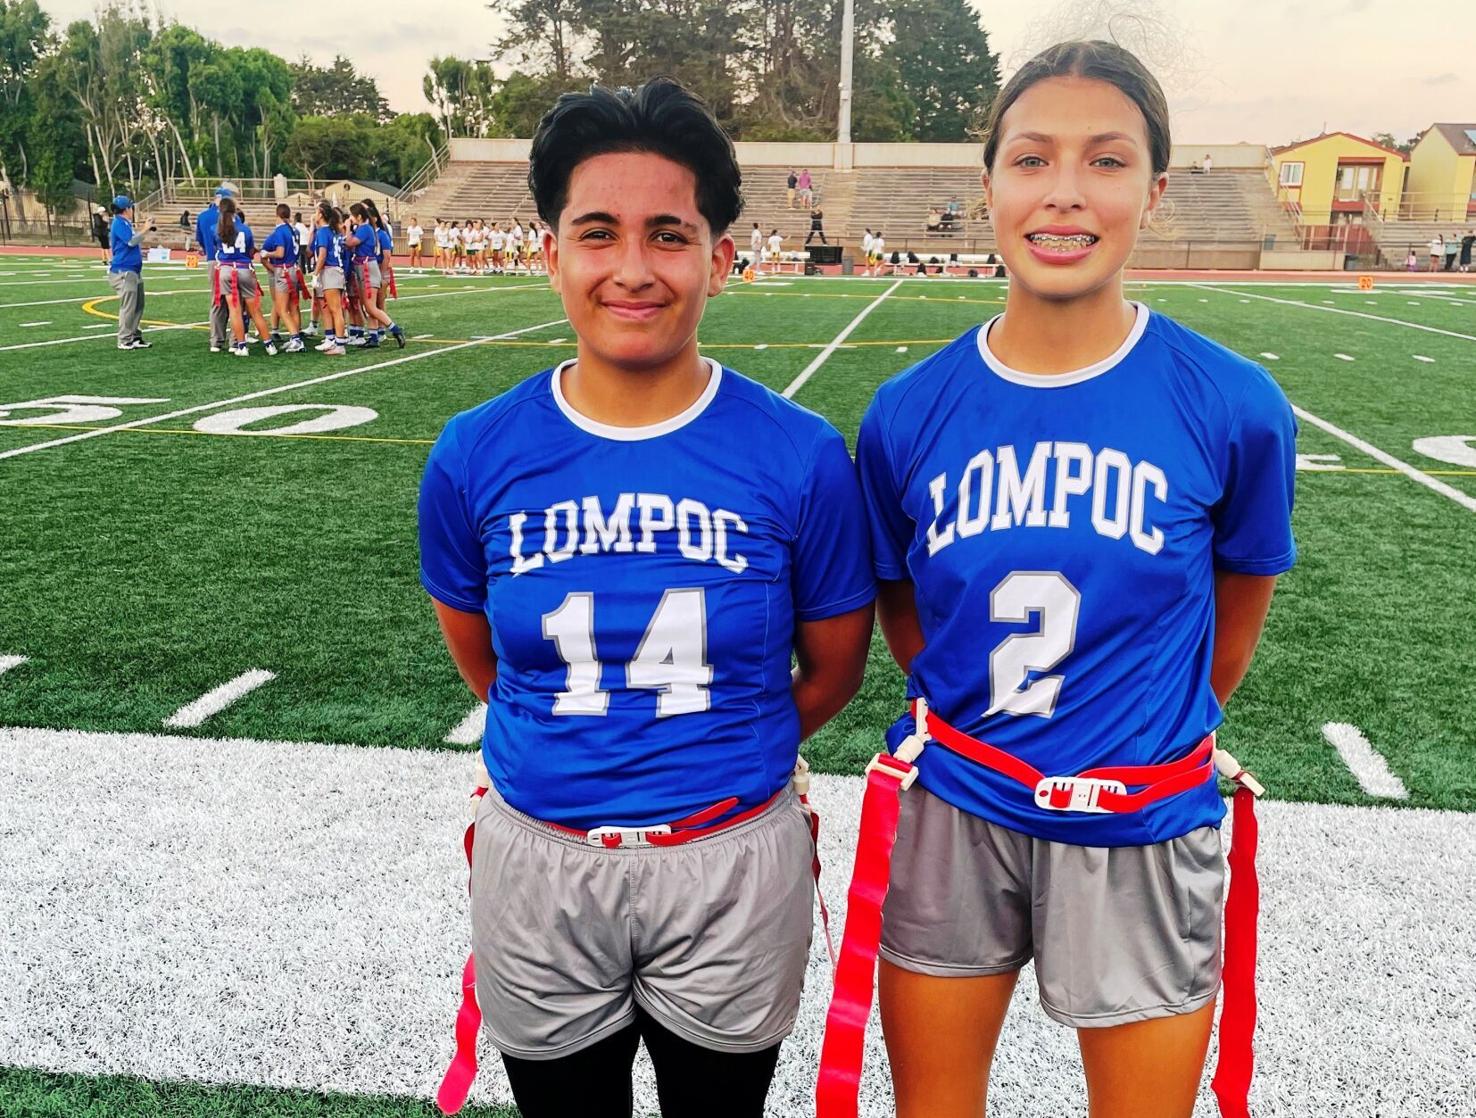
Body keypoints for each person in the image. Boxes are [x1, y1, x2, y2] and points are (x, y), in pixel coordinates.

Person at [822, 40, 1297, 1118]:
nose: (1065, 193)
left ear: (1156, 189)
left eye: (1108, 160)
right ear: (987, 182)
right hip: (958, 804)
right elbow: (909, 611)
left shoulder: (1231, 403)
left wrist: (1148, 727)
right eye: (1032, 159)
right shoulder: (909, 410)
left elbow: (1231, 618)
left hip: (1140, 818)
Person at [420, 77, 875, 1118]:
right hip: (542, 856)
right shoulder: (473, 455)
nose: (633, 268)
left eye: (669, 235)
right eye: (598, 232)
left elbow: (834, 669)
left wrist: (719, 745)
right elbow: (485, 663)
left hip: (728, 854)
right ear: (550, 252)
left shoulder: (798, 455)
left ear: (720, 256)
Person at [213, 196, 277, 357]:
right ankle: (269, 345)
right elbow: (249, 251)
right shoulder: (245, 229)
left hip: (226, 270)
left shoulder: (217, 228)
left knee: (234, 310)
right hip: (244, 269)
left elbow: (216, 247)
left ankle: (242, 346)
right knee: (255, 310)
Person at [343, 201, 404, 348]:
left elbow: (349, 243)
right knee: (367, 306)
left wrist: (347, 229)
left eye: (352, 215)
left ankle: (395, 329)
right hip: (364, 267)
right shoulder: (365, 228)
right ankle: (373, 336)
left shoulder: (364, 229)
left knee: (371, 306)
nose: (350, 218)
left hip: (367, 268)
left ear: (358, 216)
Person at [107, 196, 154, 349]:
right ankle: (124, 339)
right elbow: (131, 241)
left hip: (133, 269)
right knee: (128, 306)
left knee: (138, 304)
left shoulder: (124, 223)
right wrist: (145, 228)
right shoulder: (119, 223)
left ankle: (134, 335)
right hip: (124, 270)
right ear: (127, 209)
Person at [196, 185, 239, 353]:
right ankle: (235, 340)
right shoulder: (231, 218)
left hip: (212, 261)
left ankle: (216, 340)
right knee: (235, 301)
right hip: (230, 262)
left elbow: (199, 238)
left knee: (217, 300)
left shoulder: (203, 216)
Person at [262, 202, 307, 352]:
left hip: (284, 270)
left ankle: (295, 339)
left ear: (277, 215)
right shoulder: (294, 230)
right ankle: (296, 337)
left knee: (281, 309)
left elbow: (280, 253)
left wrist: (267, 254)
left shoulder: (280, 231)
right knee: (293, 306)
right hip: (293, 269)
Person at [309, 201, 347, 355]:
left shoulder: (324, 232)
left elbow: (322, 255)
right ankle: (335, 341)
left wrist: (315, 273)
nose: (314, 214)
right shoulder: (331, 231)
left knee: (335, 310)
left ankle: (339, 344)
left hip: (330, 271)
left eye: (316, 211)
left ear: (321, 214)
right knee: (334, 309)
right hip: (335, 271)